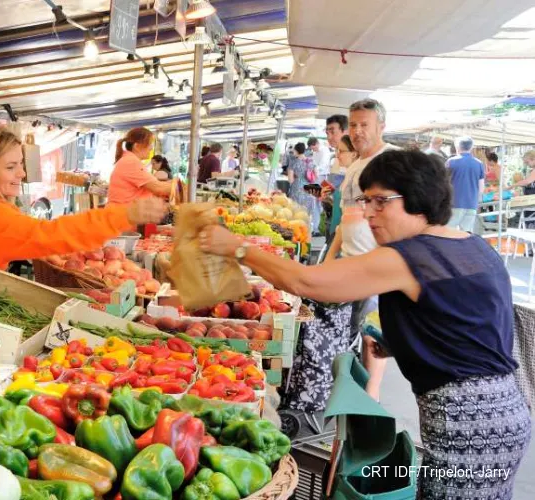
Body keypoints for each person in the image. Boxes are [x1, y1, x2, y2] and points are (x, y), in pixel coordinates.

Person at [199, 149, 530, 500]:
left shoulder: (410, 255)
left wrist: (238, 249)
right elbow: (467, 320)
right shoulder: (474, 246)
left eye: (381, 201)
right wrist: (400, 340)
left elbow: (308, 284)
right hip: (504, 411)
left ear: (418, 198)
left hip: (467, 423)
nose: (368, 213)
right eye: (366, 200)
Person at [0, 126, 168, 270]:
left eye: (20, 164)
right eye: (10, 167)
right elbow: (56, 234)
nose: (22, 174)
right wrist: (124, 215)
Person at [325, 98, 398, 398]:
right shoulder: (354, 164)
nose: (356, 131)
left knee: (372, 335)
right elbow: (345, 222)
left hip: (377, 266)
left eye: (364, 124)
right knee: (355, 333)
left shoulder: (392, 161)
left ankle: (371, 397)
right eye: (353, 124)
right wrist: (329, 259)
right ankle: (356, 395)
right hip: (351, 264)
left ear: (381, 125)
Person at [107, 128, 174, 204]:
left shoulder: (129, 160)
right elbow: (158, 188)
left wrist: (174, 183)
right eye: (149, 144)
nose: (151, 148)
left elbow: (155, 184)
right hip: (123, 213)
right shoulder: (130, 162)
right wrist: (181, 187)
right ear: (137, 146)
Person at [445, 136, 485, 234]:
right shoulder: (479, 163)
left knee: (449, 232)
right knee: (467, 233)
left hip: (454, 202)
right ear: (471, 148)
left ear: (457, 147)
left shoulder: (451, 162)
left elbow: (443, 182)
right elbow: (481, 188)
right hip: (471, 204)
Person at [287, 143, 321, 232]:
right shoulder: (311, 161)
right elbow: (317, 175)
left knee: (296, 210)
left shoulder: (293, 162)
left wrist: (296, 181)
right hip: (310, 187)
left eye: (294, 150)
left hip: (297, 186)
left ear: (297, 151)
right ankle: (307, 231)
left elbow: (290, 179)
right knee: (308, 211)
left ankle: (297, 231)